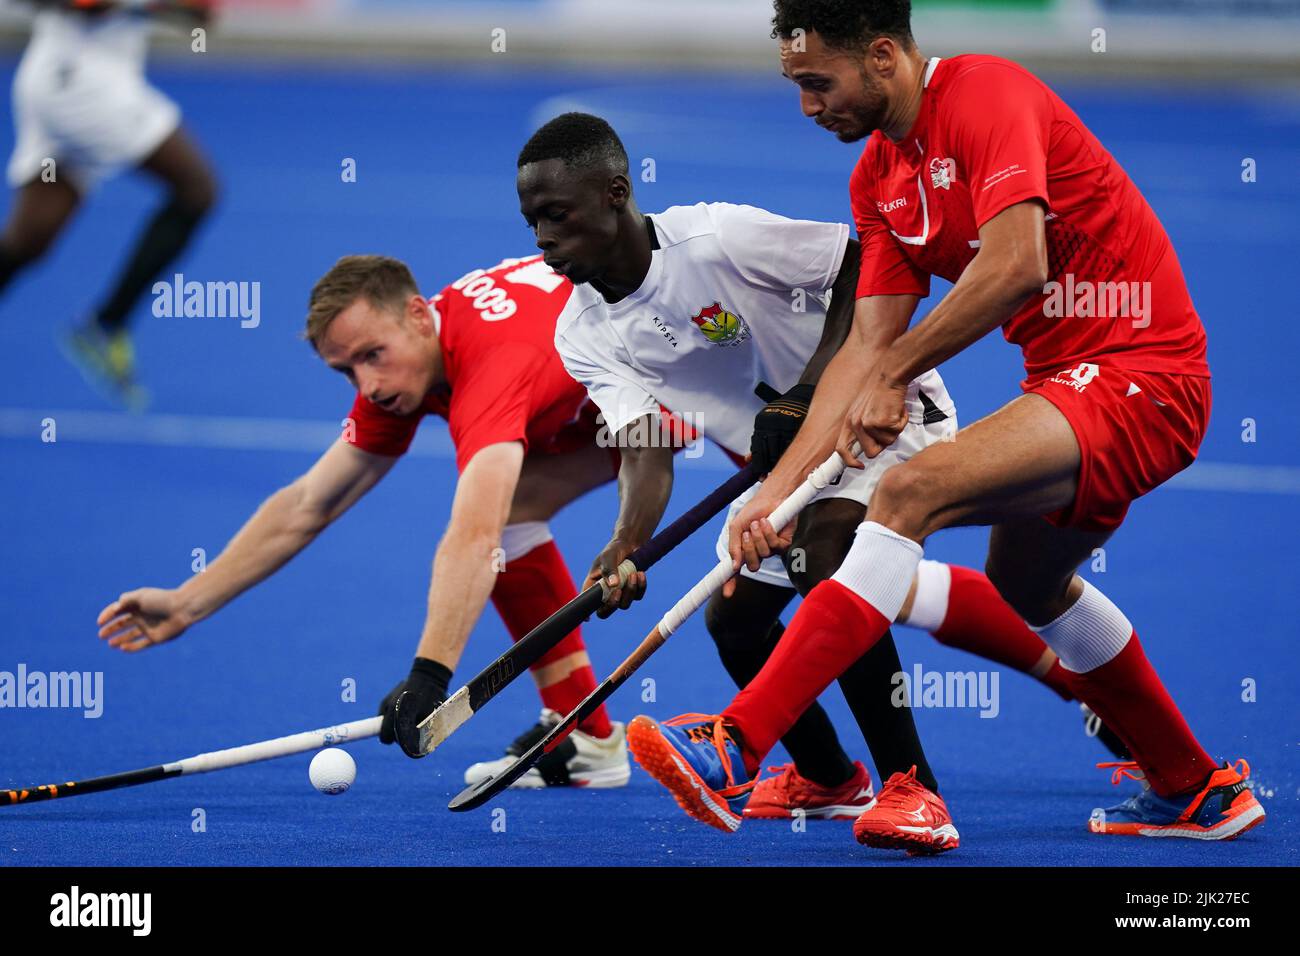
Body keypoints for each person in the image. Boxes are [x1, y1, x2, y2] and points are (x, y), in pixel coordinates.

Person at [627, 0, 1264, 850]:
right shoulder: (877, 180)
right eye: (796, 88)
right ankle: (1195, 788)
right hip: (1066, 382)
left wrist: (892, 372)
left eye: (818, 83)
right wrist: (774, 498)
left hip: (1144, 371)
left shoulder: (985, 96)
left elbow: (1016, 265)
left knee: (909, 489)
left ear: (884, 55)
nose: (809, 108)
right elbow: (865, 348)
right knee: (1027, 586)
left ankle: (736, 742)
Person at [518, 112, 1123, 838]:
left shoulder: (717, 239)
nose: (543, 240)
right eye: (532, 222)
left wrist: (810, 393)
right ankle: (829, 777)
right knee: (736, 620)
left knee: (826, 557)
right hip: (783, 469)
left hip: (880, 416)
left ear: (616, 193)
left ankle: (915, 791)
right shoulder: (580, 332)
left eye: (557, 216)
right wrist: (626, 545)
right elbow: (646, 449)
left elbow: (859, 265)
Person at [95, 253, 631, 790]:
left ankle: (704, 730)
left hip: (672, 369)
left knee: (511, 516)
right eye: (348, 369)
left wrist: (428, 677)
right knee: (513, 514)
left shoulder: (493, 362)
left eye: (373, 356)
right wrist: (186, 602)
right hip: (596, 400)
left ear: (420, 316)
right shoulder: (408, 360)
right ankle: (585, 736)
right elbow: (309, 504)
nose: (368, 385)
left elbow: (473, 536)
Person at [1, 0, 218, 408]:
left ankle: (105, 324)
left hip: (74, 78)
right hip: (81, 86)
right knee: (196, 189)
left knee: (29, 241)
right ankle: (107, 323)